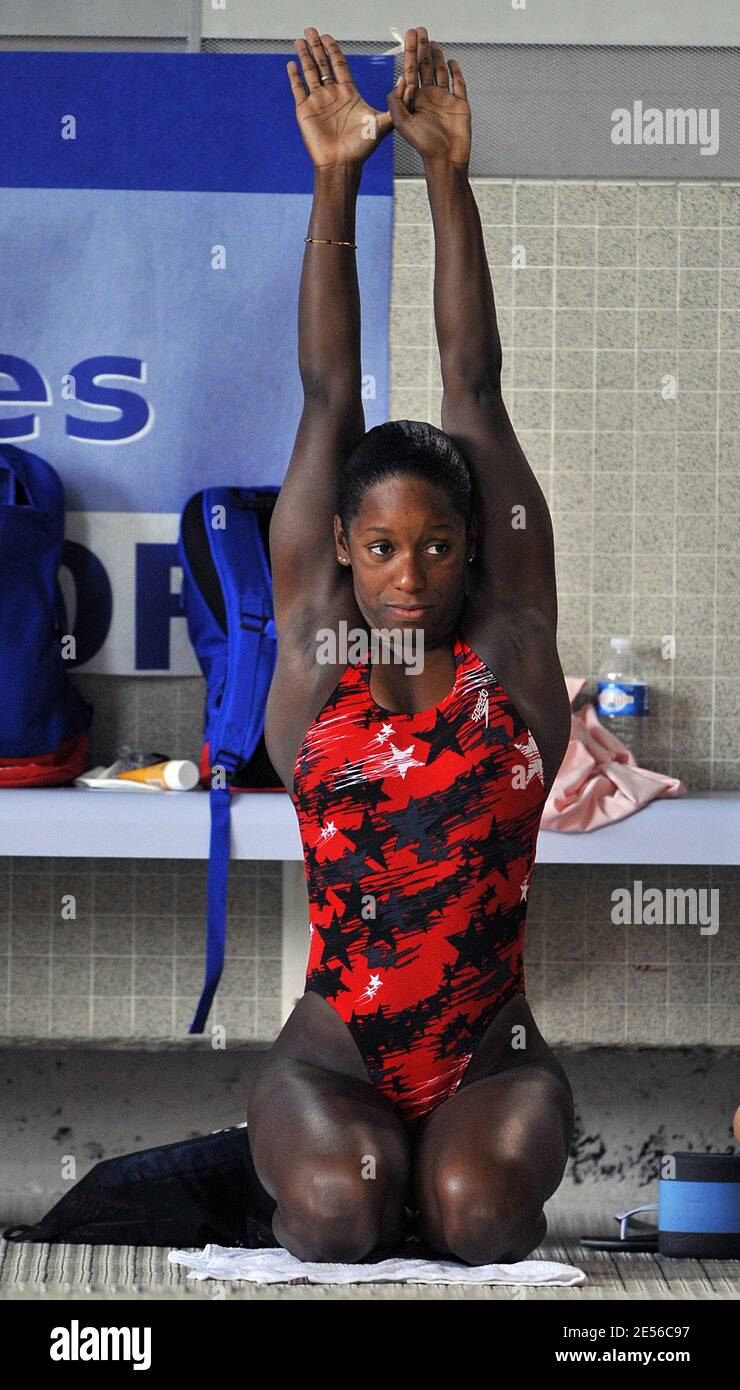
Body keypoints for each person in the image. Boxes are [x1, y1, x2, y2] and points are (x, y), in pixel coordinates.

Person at [247, 24, 575, 1267]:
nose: (407, 573)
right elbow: (329, 397)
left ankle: (435, 1188)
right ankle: (325, 1187)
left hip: (489, 1056)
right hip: (337, 1055)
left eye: (436, 547)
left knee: (475, 1212)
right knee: (338, 1209)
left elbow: (470, 387)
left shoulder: (510, 656)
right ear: (338, 547)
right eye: (378, 547)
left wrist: (444, 179)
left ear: (472, 554)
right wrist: (336, 178)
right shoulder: (315, 654)